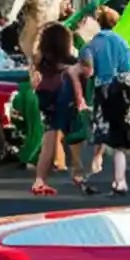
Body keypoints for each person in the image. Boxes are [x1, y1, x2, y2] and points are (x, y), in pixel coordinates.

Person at [77, 6, 130, 196]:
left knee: (99, 131)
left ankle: (92, 169)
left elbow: (87, 71)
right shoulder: (123, 43)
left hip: (102, 90)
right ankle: (120, 181)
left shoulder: (91, 45)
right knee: (119, 138)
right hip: (123, 91)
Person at [30, 23, 88, 196]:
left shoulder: (42, 60)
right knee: (75, 138)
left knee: (49, 141)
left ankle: (40, 180)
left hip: (46, 98)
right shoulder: (71, 62)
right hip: (66, 99)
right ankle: (79, 175)